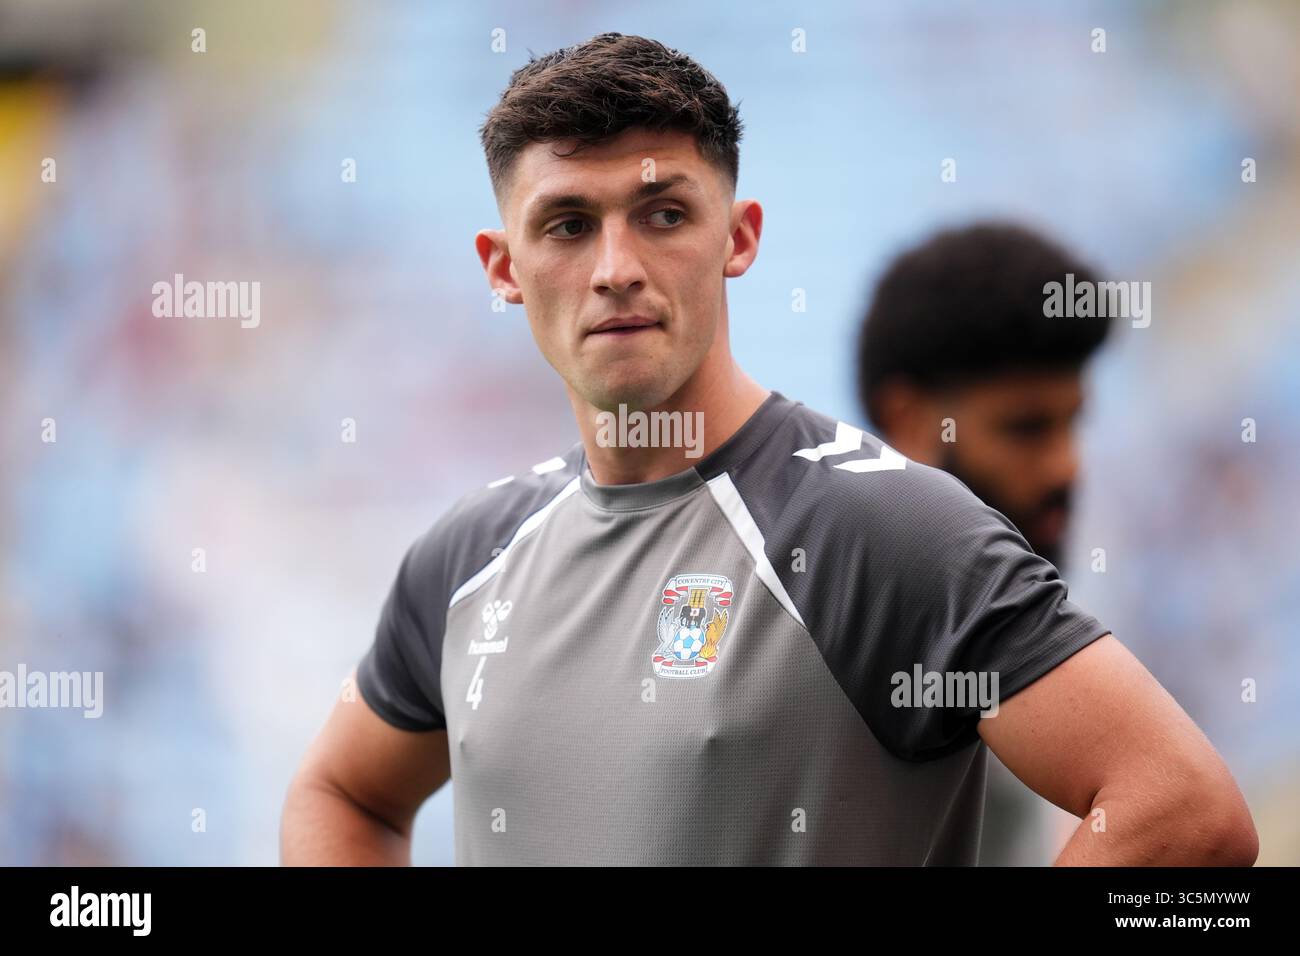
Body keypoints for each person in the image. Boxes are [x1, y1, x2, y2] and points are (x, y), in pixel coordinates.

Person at [280, 33, 1257, 866]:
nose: (616, 268)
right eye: (568, 225)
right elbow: (341, 794)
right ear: (502, 266)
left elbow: (1182, 805)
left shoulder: (881, 527)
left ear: (738, 238)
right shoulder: (466, 555)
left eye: (663, 214)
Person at [856, 222, 1111, 863]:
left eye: (1072, 423)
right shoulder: (846, 626)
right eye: (1026, 429)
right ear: (910, 420)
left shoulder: (1015, 628)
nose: (1065, 468)